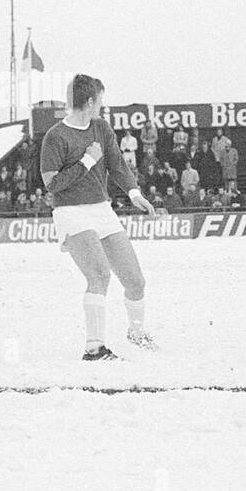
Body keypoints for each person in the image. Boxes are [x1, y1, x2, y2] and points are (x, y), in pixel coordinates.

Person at [39, 74, 157, 361]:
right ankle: (94, 348)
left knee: (135, 281)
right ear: (90, 101)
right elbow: (52, 185)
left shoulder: (101, 128)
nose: (103, 107)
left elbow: (117, 164)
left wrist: (134, 193)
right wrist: (87, 161)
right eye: (101, 101)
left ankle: (136, 333)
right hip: (70, 211)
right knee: (99, 275)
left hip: (101, 209)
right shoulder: (55, 136)